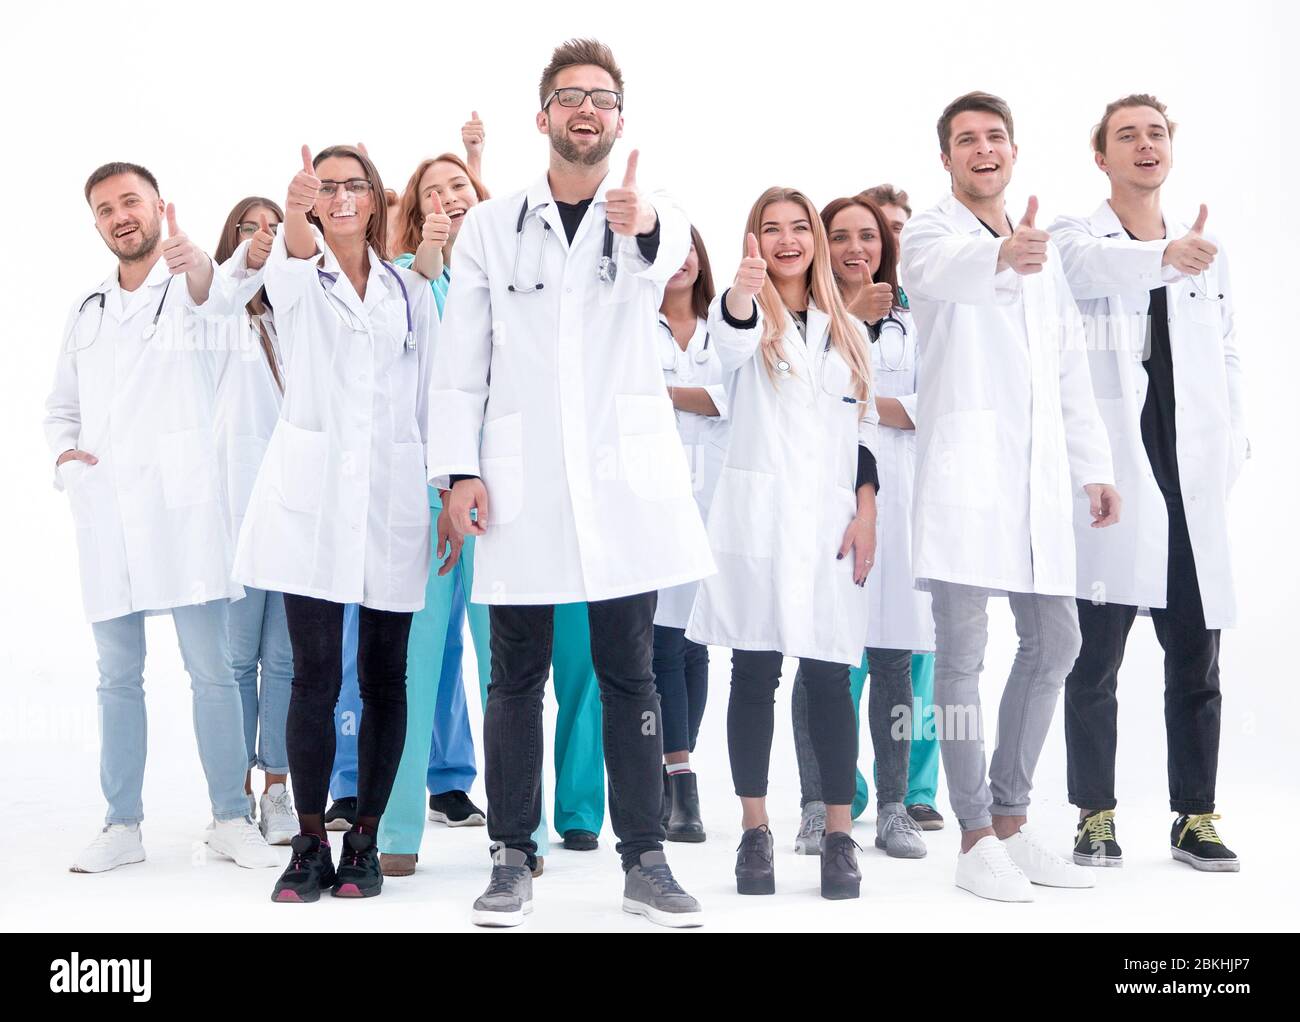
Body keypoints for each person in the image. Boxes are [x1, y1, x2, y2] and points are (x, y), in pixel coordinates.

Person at [429, 38, 709, 928]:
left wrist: (647, 225)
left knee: (632, 676)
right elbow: (459, 360)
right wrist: (459, 471)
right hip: (522, 486)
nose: (585, 109)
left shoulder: (645, 215)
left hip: (621, 487)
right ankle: (512, 854)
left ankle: (647, 861)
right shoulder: (489, 224)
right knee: (515, 677)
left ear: (619, 118)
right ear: (542, 115)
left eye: (601, 97)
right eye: (568, 96)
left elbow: (668, 263)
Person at [899, 92, 1121, 902]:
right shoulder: (930, 233)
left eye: (995, 138)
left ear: (1014, 151)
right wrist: (1000, 258)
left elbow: (1069, 368)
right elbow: (937, 275)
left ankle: (1013, 820)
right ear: (947, 158)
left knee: (1056, 641)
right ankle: (971, 836)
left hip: (1035, 483)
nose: (983, 150)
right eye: (967, 141)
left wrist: (1094, 466)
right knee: (960, 657)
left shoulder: (1046, 256)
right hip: (965, 481)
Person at [46, 162, 277, 873]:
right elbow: (62, 408)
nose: (121, 216)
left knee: (211, 672)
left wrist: (202, 267)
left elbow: (222, 296)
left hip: (184, 515)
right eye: (106, 208)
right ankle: (122, 825)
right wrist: (64, 462)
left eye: (131, 202)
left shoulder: (191, 290)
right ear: (96, 223)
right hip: (108, 514)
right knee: (116, 676)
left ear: (158, 207)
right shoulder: (85, 307)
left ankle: (230, 817)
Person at [235, 144, 438, 903]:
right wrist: (293, 209)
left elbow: (429, 400)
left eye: (356, 185)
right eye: (327, 189)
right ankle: (310, 840)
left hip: (391, 501)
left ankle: (366, 839)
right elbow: (288, 253)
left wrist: (444, 488)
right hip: (312, 503)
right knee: (315, 675)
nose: (342, 198)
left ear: (378, 199)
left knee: (385, 673)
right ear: (313, 204)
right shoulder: (297, 275)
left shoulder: (410, 291)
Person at [1050, 94, 1245, 872]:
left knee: (1197, 664)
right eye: (1125, 135)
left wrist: (1234, 443)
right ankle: (1094, 815)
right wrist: (1168, 256)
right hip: (1116, 486)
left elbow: (1229, 351)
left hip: (1191, 482)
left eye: (1155, 133)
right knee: (1091, 664)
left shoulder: (1212, 254)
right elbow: (1094, 268)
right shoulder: (1075, 236)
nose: (1143, 145)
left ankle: (1195, 815)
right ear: (1101, 156)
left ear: (1171, 149)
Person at [687, 188, 880, 901]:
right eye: (772, 230)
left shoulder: (846, 331)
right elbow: (728, 343)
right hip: (760, 523)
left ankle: (837, 835)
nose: (789, 239)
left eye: (801, 228)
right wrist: (741, 295)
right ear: (753, 243)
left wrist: (866, 512)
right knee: (755, 670)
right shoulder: (740, 319)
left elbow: (863, 432)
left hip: (828, 527)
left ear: (817, 241)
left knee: (831, 675)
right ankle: (754, 831)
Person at [789, 193, 931, 861]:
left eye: (868, 237)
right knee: (821, 656)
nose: (855, 248)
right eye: (840, 235)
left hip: (898, 501)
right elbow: (800, 404)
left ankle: (897, 808)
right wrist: (845, 323)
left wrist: (862, 404)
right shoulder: (808, 321)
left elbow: (935, 406)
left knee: (894, 657)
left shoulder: (915, 319)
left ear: (886, 247)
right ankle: (816, 805)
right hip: (825, 498)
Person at [212, 196, 298, 846]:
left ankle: (278, 788)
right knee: (237, 660)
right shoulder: (212, 321)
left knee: (286, 659)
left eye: (274, 227)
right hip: (234, 514)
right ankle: (233, 792)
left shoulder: (295, 316)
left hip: (292, 512)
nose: (265, 238)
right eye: (251, 227)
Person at [858, 182, 944, 833]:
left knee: (922, 655)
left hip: (919, 497)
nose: (882, 242)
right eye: (874, 229)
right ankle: (850, 785)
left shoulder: (928, 316)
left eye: (892, 231)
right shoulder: (838, 312)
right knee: (848, 653)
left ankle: (917, 789)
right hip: (852, 495)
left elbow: (936, 406)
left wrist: (859, 406)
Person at [653, 225, 730, 842]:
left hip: (715, 502)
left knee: (692, 642)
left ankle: (678, 774)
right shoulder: (631, 325)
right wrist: (694, 398)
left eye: (688, 247)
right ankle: (676, 778)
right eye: (667, 249)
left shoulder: (727, 326)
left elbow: (730, 399)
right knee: (657, 643)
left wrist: (661, 393)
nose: (679, 260)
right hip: (648, 503)